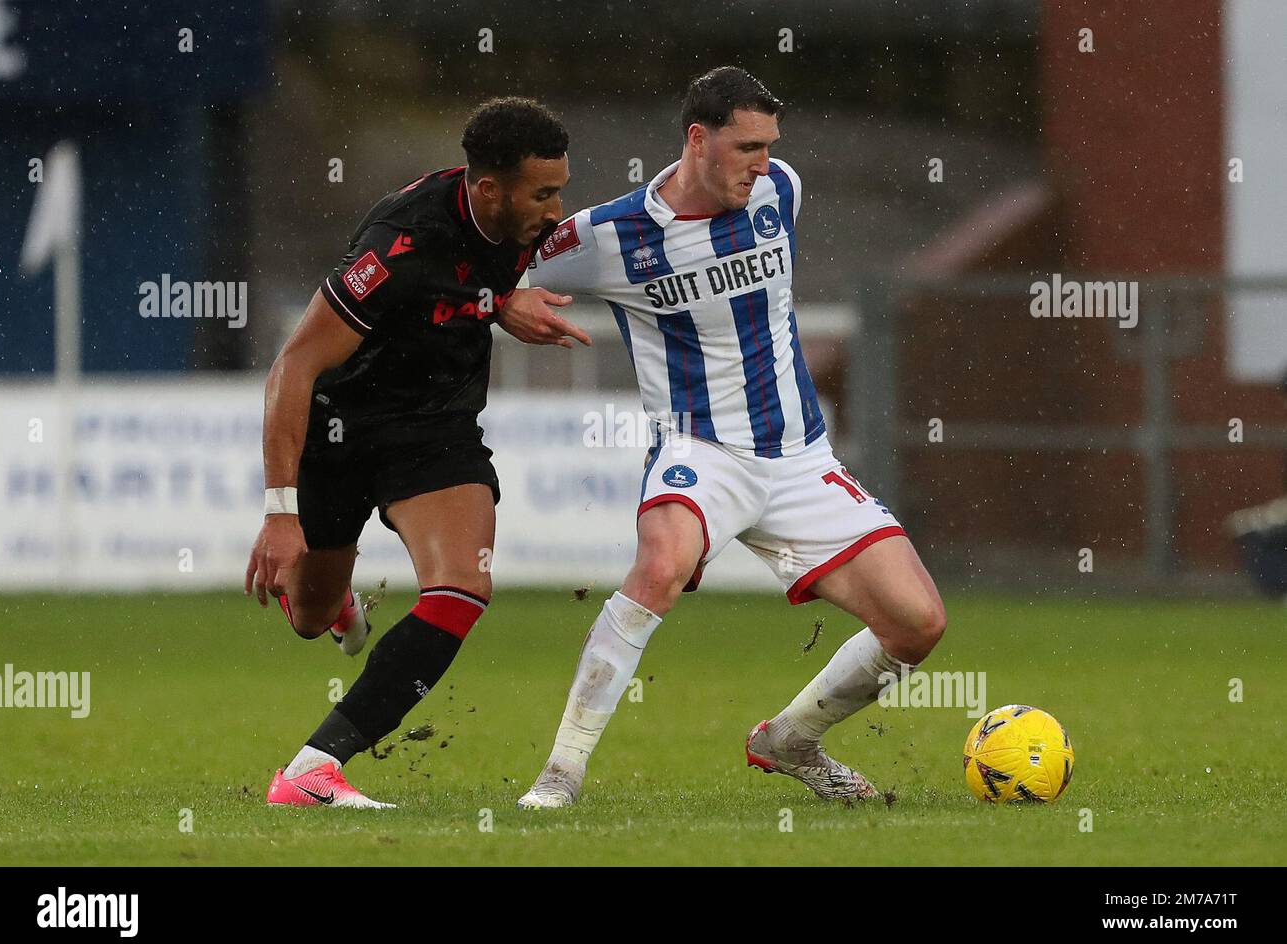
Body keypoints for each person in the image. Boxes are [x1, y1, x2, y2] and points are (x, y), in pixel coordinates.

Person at [504, 68, 946, 809]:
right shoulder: (612, 235)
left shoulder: (781, 192)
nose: (763, 163)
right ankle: (561, 772)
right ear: (697, 139)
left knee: (918, 622)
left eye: (770, 146)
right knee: (659, 566)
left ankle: (790, 739)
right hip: (699, 448)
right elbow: (498, 258)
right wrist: (505, 299)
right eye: (747, 146)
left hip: (801, 457)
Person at [244, 97, 589, 808]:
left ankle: (311, 770)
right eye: (545, 192)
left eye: (561, 188)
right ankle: (333, 598)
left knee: (463, 586)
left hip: (435, 432)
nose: (558, 210)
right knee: (310, 617)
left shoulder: (522, 222)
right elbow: (294, 368)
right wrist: (281, 513)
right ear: (490, 189)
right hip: (342, 429)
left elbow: (478, 277)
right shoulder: (398, 242)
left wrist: (501, 298)